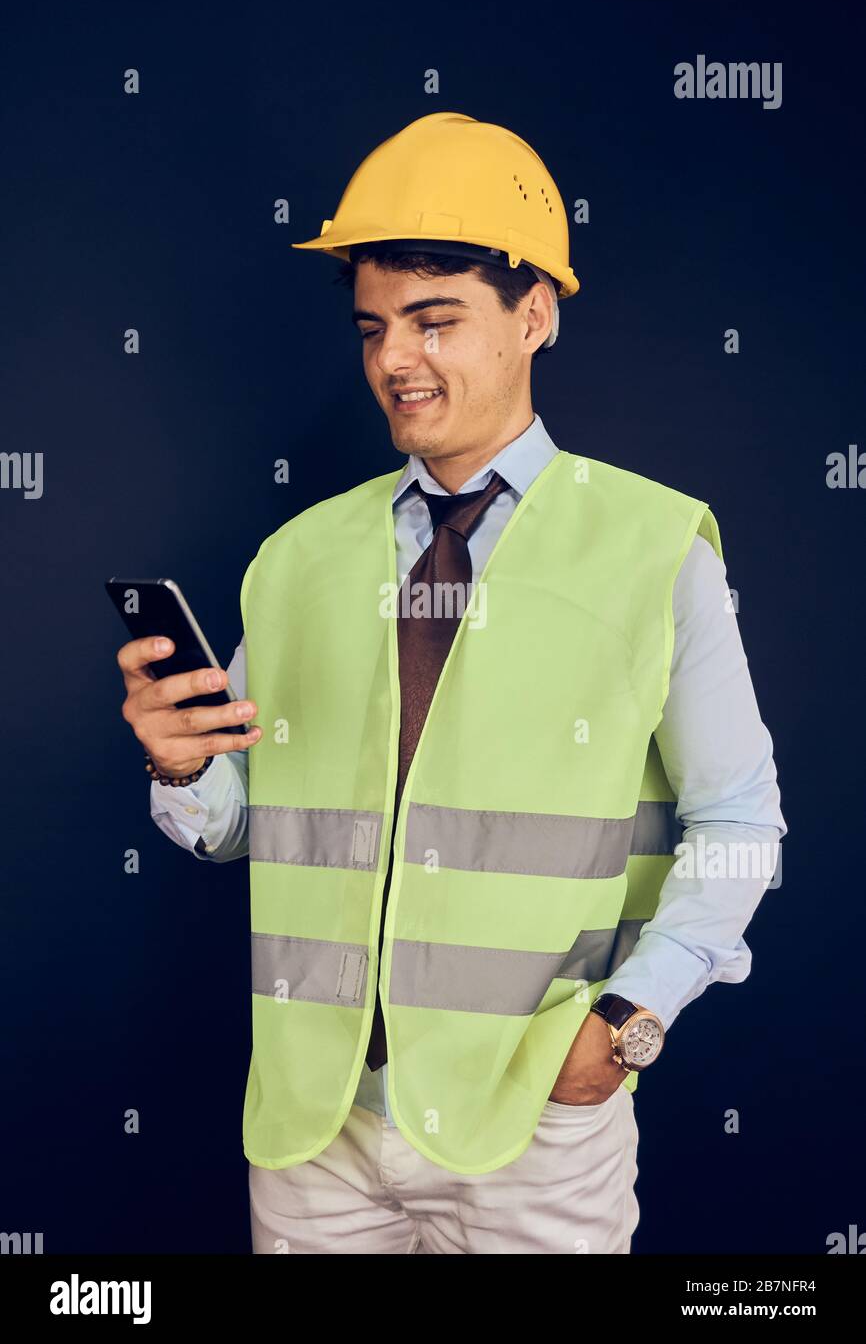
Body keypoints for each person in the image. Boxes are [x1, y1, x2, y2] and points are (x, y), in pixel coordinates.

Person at [115, 112, 787, 1254]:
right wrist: (178, 766)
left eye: (434, 321)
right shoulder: (297, 560)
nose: (393, 359)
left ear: (534, 315)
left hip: (534, 1121)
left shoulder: (654, 548)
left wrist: (623, 1027)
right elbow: (238, 827)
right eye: (374, 327)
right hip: (313, 1131)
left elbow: (739, 823)